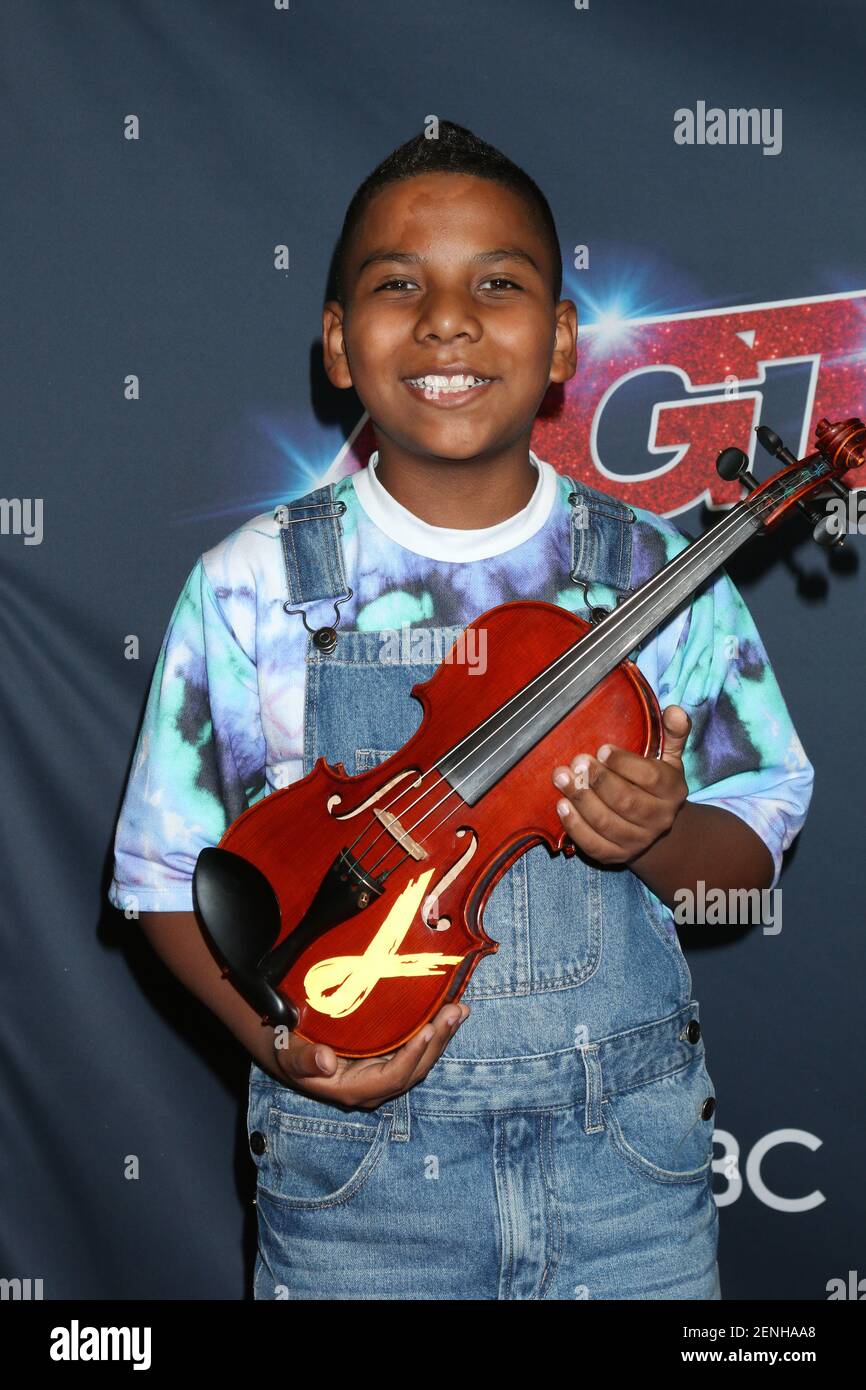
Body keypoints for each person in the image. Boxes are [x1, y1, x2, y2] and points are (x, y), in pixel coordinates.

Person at [108, 121, 814, 1300]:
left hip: (624, 1181)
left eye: (498, 283)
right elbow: (158, 875)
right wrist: (281, 1042)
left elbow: (740, 854)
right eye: (397, 286)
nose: (446, 319)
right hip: (355, 1198)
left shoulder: (648, 571)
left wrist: (660, 832)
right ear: (338, 343)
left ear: (559, 345)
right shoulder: (250, 584)